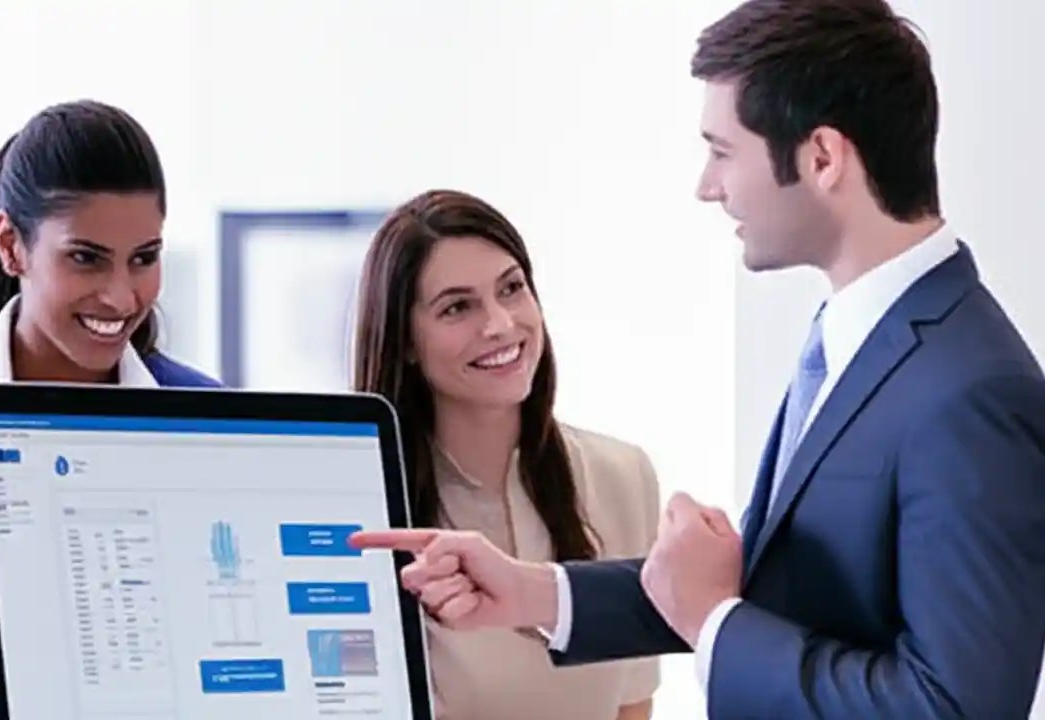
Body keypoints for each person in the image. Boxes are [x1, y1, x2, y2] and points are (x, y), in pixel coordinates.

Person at [352, 1, 1045, 718]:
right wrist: (530, 593)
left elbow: (958, 709)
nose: (708, 185)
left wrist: (715, 622)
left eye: (722, 150)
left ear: (821, 158)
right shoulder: (859, 337)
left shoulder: (972, 391)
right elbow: (795, 598)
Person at [0, 100, 222, 720]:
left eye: (144, 257)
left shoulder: (207, 415)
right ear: (11, 245)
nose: (121, 294)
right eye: (86, 257)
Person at [352, 189, 659, 720]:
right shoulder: (366, 509)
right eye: (457, 307)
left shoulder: (622, 476)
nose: (499, 324)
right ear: (404, 340)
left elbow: (632, 706)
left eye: (511, 289)